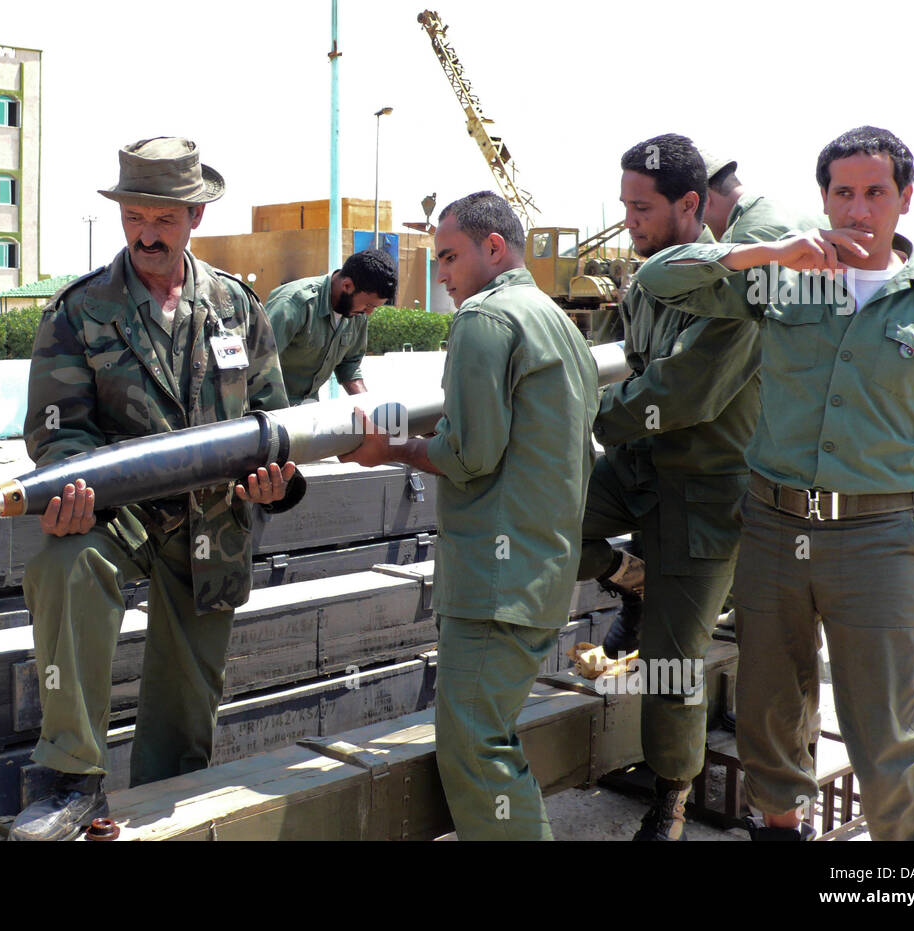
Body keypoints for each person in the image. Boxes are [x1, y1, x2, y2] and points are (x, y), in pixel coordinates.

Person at [634, 126, 914, 840]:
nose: (858, 210)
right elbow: (659, 277)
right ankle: (779, 827)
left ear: (905, 199)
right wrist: (767, 251)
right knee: (770, 707)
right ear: (823, 198)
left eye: (875, 192)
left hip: (881, 538)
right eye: (843, 193)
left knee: (887, 726)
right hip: (773, 527)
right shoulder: (782, 281)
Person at [8, 137, 302, 842]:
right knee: (61, 563)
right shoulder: (78, 311)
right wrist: (77, 481)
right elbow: (55, 428)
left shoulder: (237, 306)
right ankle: (70, 775)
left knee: (185, 714)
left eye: (163, 218)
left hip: (213, 528)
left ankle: (161, 801)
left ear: (195, 216)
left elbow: (276, 420)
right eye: (134, 214)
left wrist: (274, 483)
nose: (145, 232)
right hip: (120, 517)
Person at [340, 191, 598, 840]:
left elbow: (470, 452)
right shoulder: (558, 322)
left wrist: (387, 447)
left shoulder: (485, 320)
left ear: (494, 247)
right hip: (541, 570)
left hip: (493, 583)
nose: (443, 276)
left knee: (477, 748)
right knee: (490, 735)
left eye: (450, 257)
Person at [575, 134, 764, 840]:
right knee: (551, 527)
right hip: (639, 466)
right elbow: (625, 360)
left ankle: (672, 796)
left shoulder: (735, 292)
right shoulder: (653, 276)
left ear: (691, 204)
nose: (630, 220)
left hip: (702, 491)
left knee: (671, 662)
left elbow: (684, 391)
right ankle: (633, 574)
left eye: (642, 207)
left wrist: (592, 415)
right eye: (624, 205)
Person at [265, 249, 397, 405]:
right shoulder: (293, 304)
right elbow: (257, 364)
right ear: (347, 285)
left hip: (306, 409)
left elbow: (349, 365)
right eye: (368, 305)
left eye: (375, 307)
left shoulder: (357, 312)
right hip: (269, 411)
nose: (369, 313)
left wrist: (369, 410)